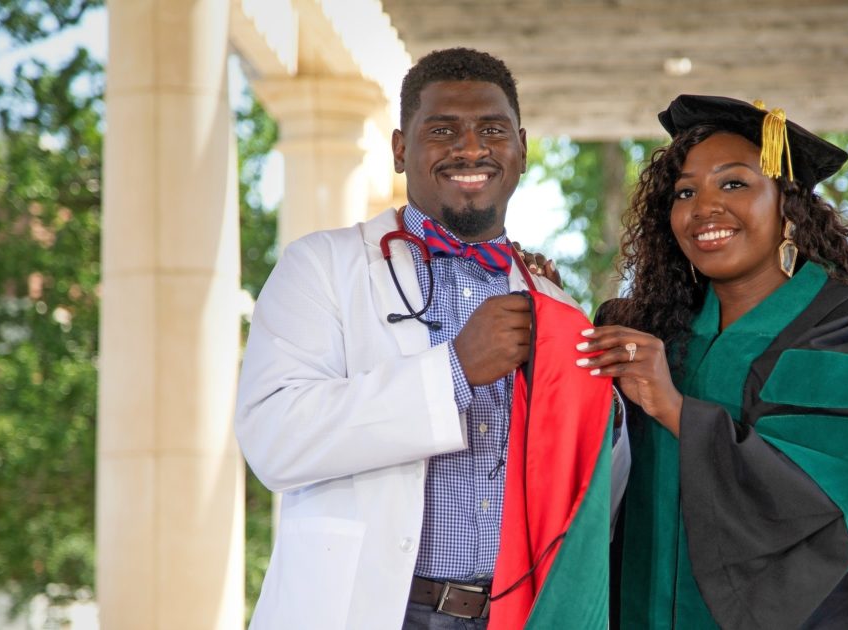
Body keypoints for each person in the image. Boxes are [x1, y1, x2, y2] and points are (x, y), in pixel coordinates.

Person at [234, 48, 628, 629]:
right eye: (442, 130)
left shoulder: (554, 303)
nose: (471, 149)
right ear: (400, 149)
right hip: (378, 611)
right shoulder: (322, 266)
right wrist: (453, 371)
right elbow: (273, 438)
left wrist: (614, 409)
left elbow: (589, 492)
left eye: (491, 130)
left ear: (519, 147)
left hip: (516, 613)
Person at [581, 95, 848, 629]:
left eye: (734, 183)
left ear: (786, 204)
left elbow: (837, 498)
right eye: (685, 192)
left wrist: (675, 408)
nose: (704, 207)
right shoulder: (650, 332)